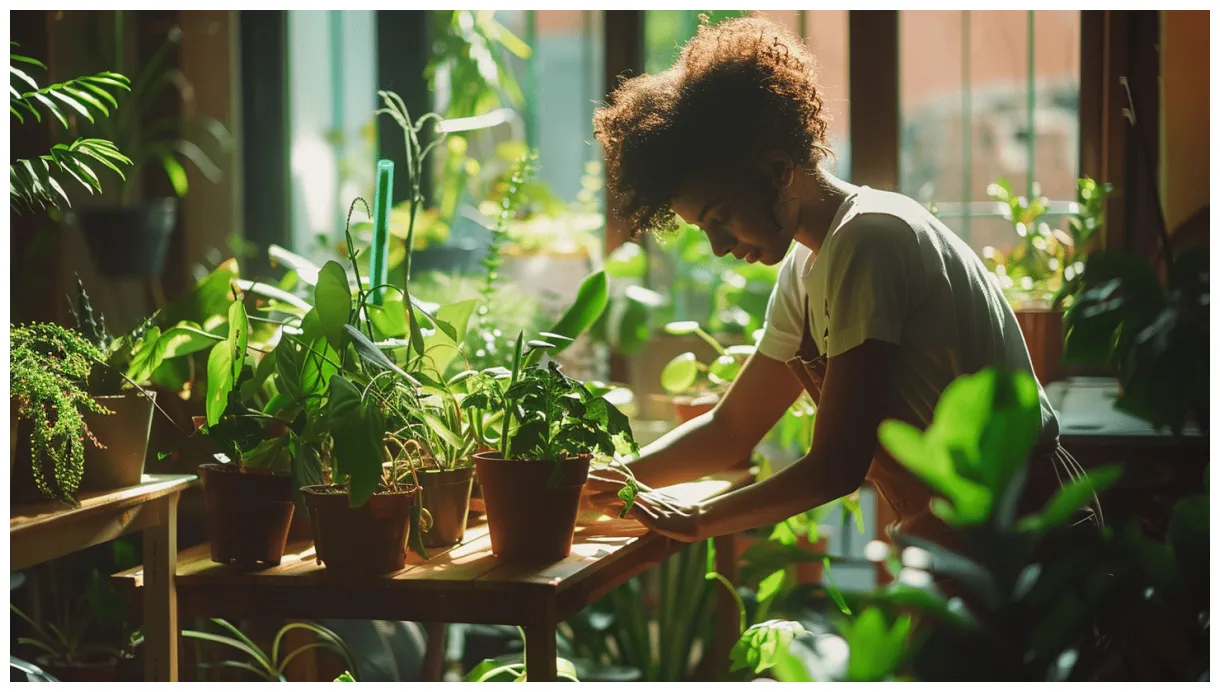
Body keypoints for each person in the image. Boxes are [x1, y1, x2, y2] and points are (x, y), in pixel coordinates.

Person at [583, 16, 1098, 550]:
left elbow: (836, 466)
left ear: (779, 169)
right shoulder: (805, 269)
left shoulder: (870, 238)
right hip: (956, 527)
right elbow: (731, 428)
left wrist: (695, 521)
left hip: (1029, 527)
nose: (718, 248)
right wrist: (617, 480)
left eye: (721, 218)